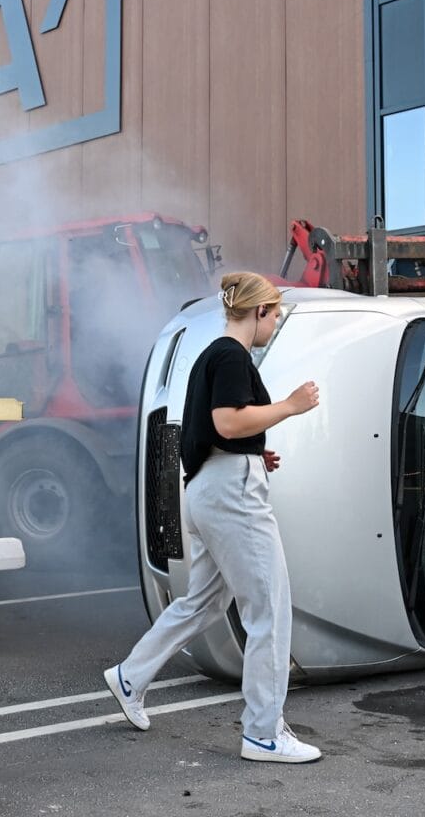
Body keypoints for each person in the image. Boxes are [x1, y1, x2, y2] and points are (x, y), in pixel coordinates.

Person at [102, 271, 322, 763]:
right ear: (258, 312)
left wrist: (250, 453)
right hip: (231, 496)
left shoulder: (209, 356)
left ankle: (129, 677)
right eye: (275, 312)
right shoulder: (231, 356)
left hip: (208, 489)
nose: (277, 320)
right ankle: (263, 732)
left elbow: (209, 428)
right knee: (269, 607)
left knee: (200, 603)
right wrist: (289, 406)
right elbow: (227, 420)